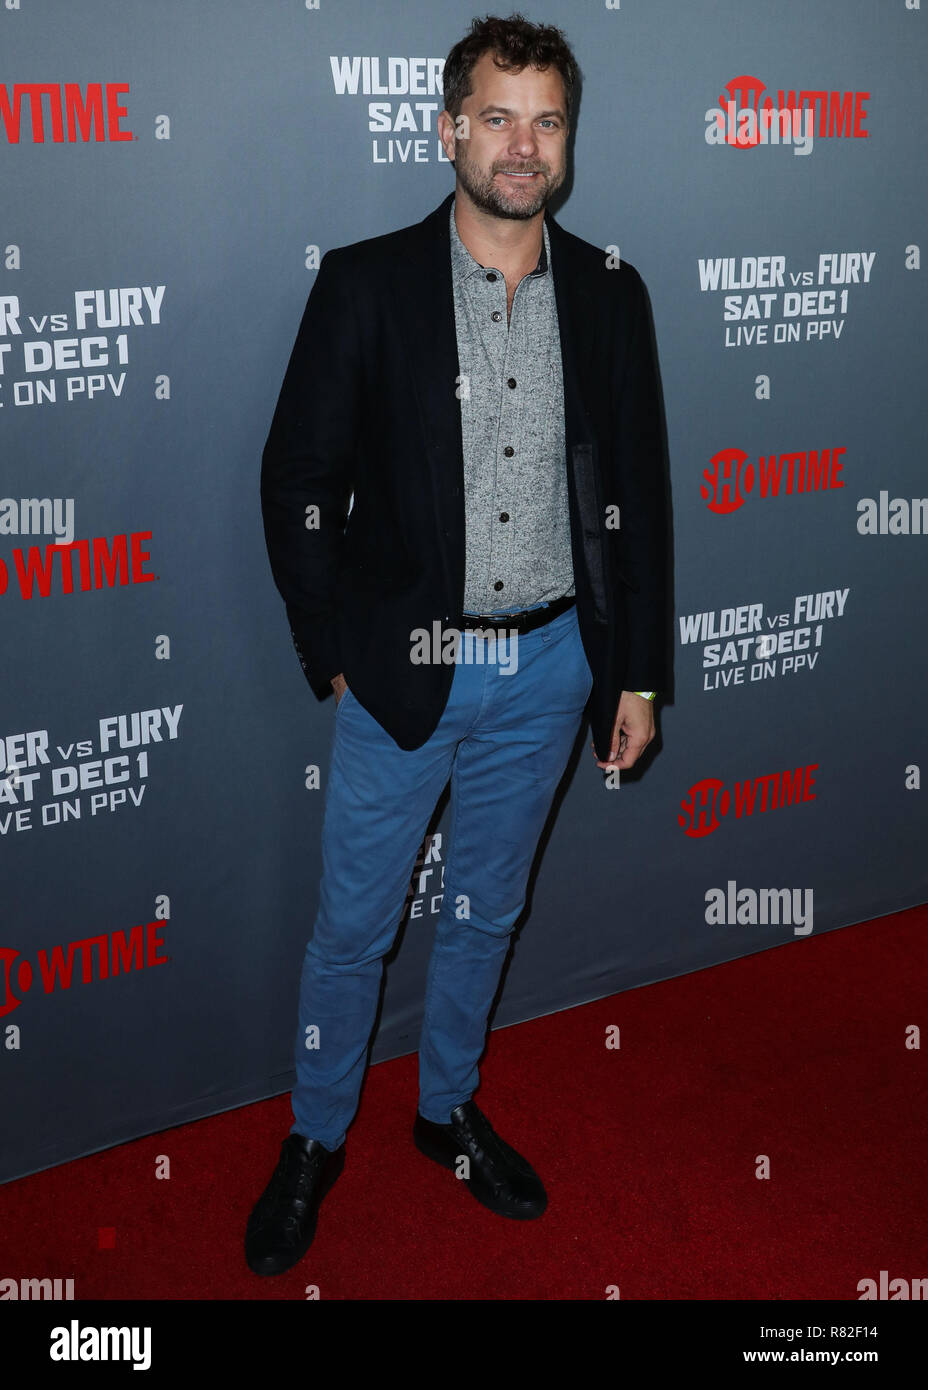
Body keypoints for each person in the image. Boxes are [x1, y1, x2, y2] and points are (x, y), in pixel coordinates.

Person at [247, 12, 670, 1277]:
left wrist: (634, 669)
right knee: (353, 930)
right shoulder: (369, 283)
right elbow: (297, 477)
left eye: (545, 120)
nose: (522, 144)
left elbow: (635, 498)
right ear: (448, 129)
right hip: (404, 666)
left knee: (485, 913)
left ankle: (445, 1116)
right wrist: (329, 643)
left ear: (567, 140)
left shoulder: (607, 293)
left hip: (550, 671)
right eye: (497, 115)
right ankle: (316, 1139)